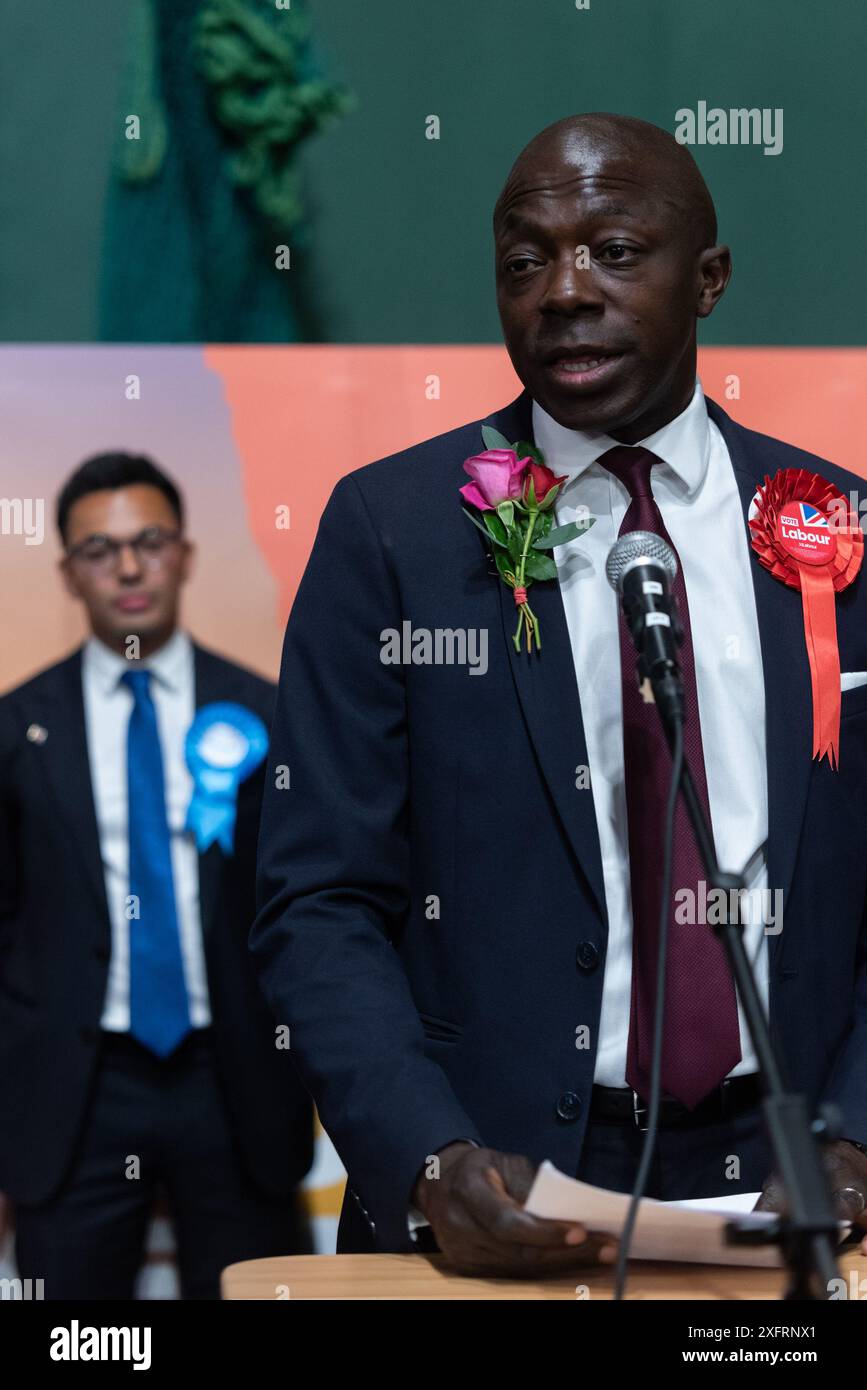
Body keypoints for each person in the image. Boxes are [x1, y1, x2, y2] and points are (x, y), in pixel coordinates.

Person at [252, 114, 867, 1277]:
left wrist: (859, 1134)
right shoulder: (394, 531)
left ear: (712, 280)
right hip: (503, 1189)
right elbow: (315, 896)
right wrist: (429, 1158)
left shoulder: (838, 530)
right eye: (525, 261)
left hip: (797, 1177)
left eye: (617, 252)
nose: (565, 292)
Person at [0, 452, 313, 1298]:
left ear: (184, 554)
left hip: (238, 1083)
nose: (129, 567)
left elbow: (308, 911)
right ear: (68, 572)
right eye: (100, 551)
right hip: (76, 1093)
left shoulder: (269, 714)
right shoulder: (15, 729)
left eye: (149, 541)